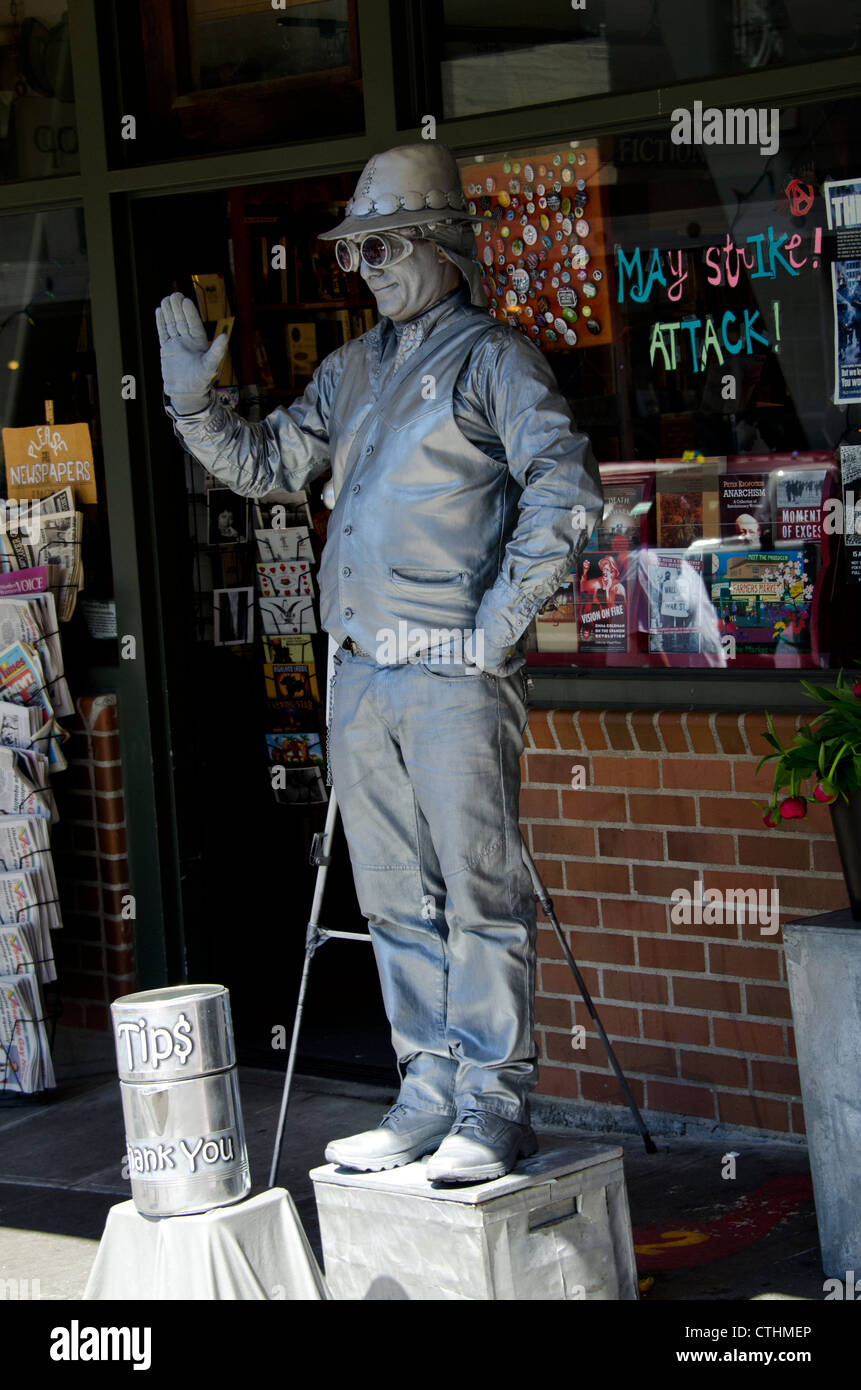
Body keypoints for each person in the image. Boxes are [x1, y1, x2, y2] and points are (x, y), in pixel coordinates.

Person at [156, 142, 603, 1182]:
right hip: (359, 671)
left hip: (449, 669)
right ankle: (427, 1090)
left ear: (446, 241)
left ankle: (494, 1102)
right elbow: (271, 465)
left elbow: (565, 491)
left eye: (391, 242)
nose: (371, 265)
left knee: (478, 887)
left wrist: (494, 628)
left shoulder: (498, 359)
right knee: (395, 894)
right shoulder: (352, 369)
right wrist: (190, 407)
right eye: (359, 250)